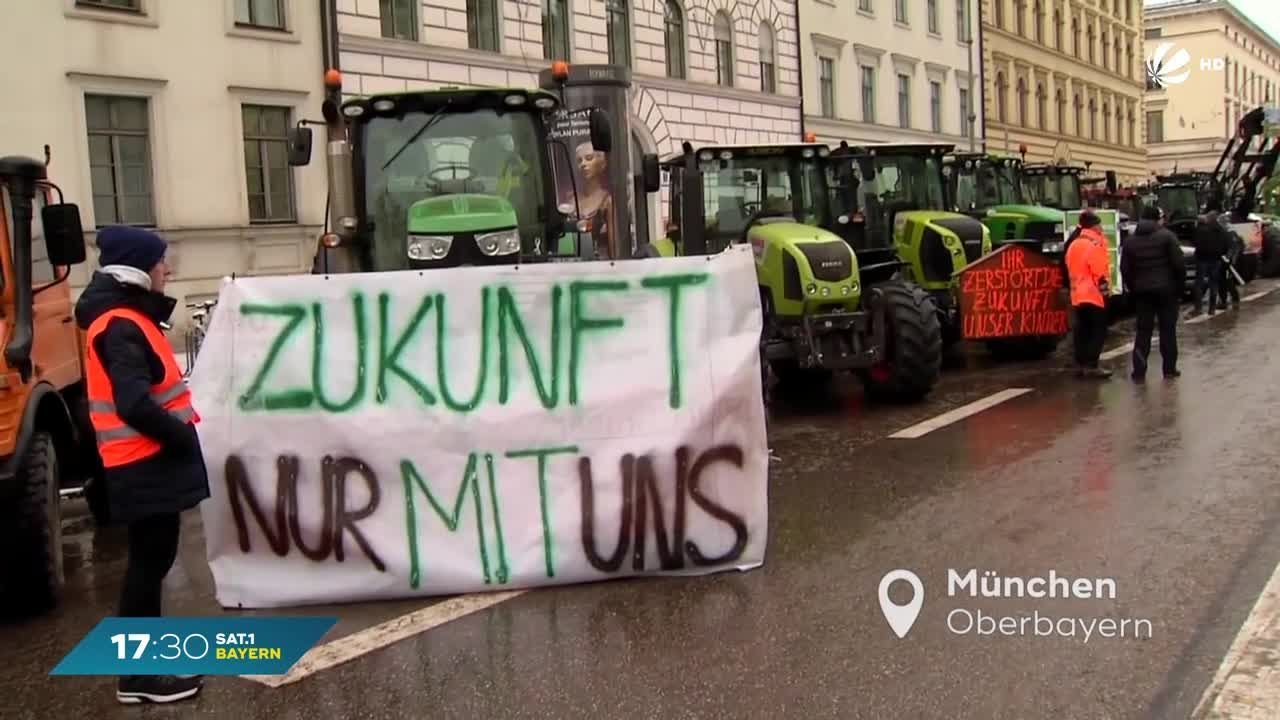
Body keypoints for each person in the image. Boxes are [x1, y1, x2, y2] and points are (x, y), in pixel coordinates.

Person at [74, 226, 210, 705]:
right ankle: (138, 677)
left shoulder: (124, 319)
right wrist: (181, 438)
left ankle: (141, 669)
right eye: (160, 263)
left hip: (142, 462)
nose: (167, 270)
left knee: (150, 564)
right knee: (148, 566)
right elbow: (133, 402)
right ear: (137, 270)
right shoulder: (120, 324)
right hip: (143, 462)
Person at [1121, 205, 1185, 382]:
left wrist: (1134, 287)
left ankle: (1139, 371)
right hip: (1167, 291)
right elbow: (1179, 265)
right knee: (1167, 330)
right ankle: (1169, 369)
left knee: (1143, 332)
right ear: (1158, 219)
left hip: (1142, 293)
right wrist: (1178, 288)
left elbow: (1125, 269)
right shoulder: (1167, 237)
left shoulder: (1130, 241)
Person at [1065, 211, 1113, 378]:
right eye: (1099, 225)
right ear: (1094, 226)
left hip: (1077, 294)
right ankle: (1092, 365)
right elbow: (1100, 273)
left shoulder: (1074, 244)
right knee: (1098, 331)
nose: (1101, 228)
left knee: (1082, 330)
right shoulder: (1095, 244)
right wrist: (1106, 293)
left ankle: (1080, 364)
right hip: (1093, 295)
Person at [1192, 211, 1229, 315]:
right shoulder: (1222, 230)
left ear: (1208, 219)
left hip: (1202, 259)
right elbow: (1226, 245)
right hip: (1216, 259)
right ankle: (1212, 308)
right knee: (1214, 283)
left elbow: (1196, 243)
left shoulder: (1202, 230)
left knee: (1199, 283)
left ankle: (1198, 308)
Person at [1218, 212, 1243, 309]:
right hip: (1228, 260)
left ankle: (1225, 300)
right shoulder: (1230, 232)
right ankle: (1233, 298)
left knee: (1225, 280)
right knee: (1226, 280)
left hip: (1228, 261)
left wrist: (1229, 260)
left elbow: (1233, 248)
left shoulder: (1229, 232)